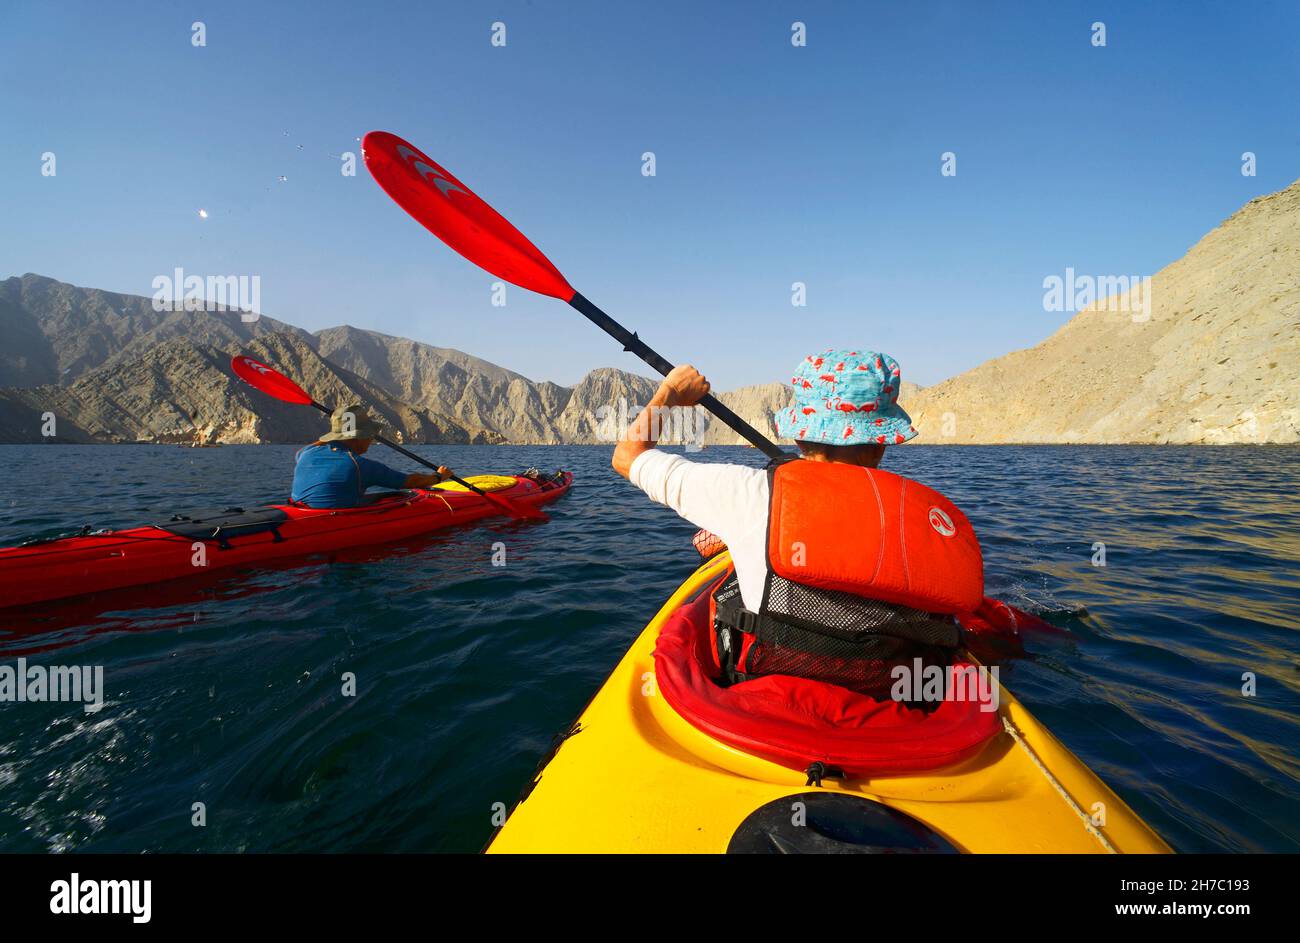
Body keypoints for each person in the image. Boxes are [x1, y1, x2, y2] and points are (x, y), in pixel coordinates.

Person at [612, 349, 983, 701]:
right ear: (880, 444)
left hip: (766, 682)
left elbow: (628, 456)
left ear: (800, 434)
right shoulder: (924, 518)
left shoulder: (747, 493)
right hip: (896, 698)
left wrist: (671, 393)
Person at [291, 403, 452, 509]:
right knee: (401, 495)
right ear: (357, 437)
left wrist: (336, 433)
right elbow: (411, 481)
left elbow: (308, 448)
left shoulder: (306, 453)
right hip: (333, 519)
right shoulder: (360, 466)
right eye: (369, 434)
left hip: (301, 510)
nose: (371, 438)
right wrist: (438, 477)